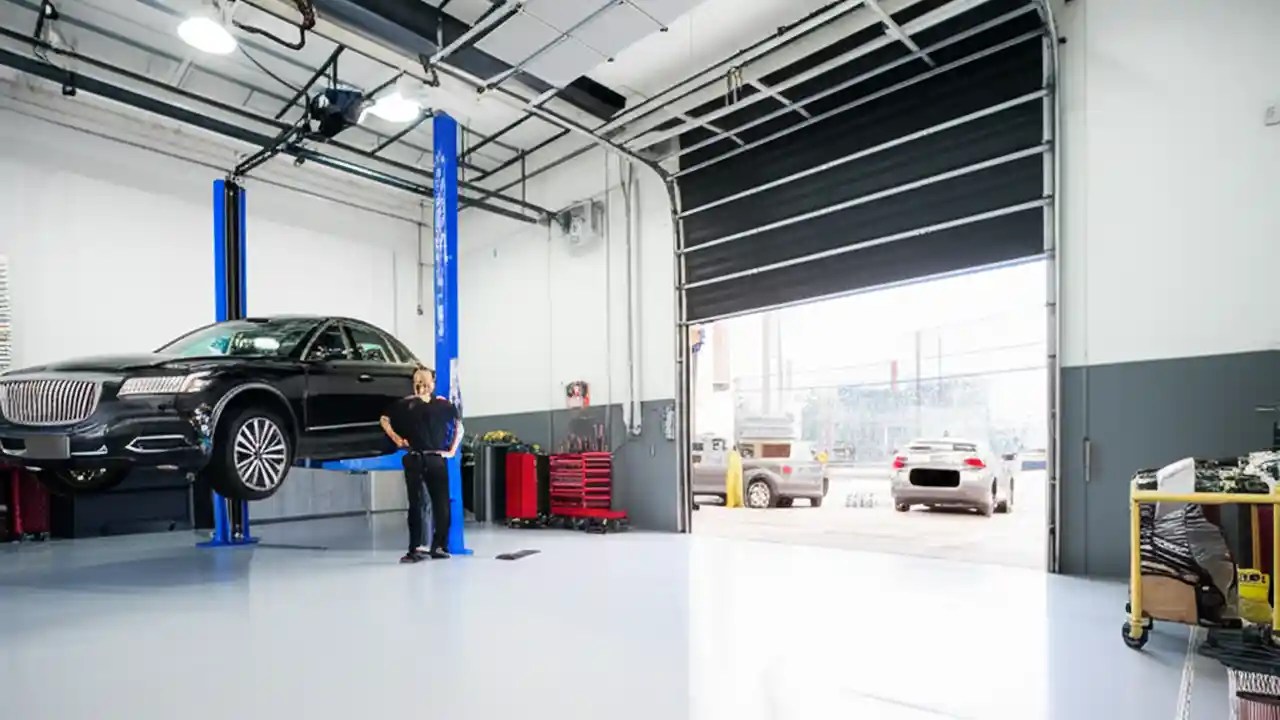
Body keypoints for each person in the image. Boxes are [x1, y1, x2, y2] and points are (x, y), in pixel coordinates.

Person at [380, 367, 463, 564]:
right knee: (439, 504)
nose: (422, 386)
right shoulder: (442, 405)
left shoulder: (407, 404)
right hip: (433, 457)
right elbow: (459, 427)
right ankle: (438, 546)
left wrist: (397, 439)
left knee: (418, 504)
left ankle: (417, 548)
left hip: (418, 457)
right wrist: (450, 451)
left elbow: (384, 419)